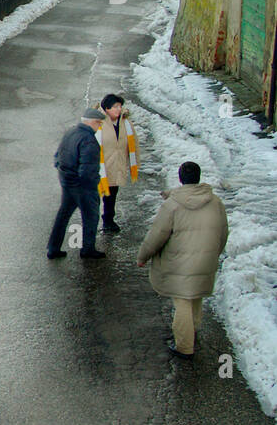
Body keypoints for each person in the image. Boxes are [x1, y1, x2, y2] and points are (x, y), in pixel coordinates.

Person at [135, 162, 228, 360]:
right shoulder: (216, 202)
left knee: (183, 301)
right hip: (206, 259)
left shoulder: (172, 205)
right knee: (195, 295)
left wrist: (143, 257)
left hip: (179, 264)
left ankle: (184, 347)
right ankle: (192, 331)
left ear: (180, 178)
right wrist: (213, 253)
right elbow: (223, 233)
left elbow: (157, 236)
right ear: (198, 177)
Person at [46, 109, 106, 260]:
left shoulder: (70, 133)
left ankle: (53, 248)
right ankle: (88, 249)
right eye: (99, 124)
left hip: (67, 181)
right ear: (93, 122)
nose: (99, 127)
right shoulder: (89, 140)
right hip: (82, 186)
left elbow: (57, 156)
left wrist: (64, 174)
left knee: (63, 215)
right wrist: (92, 186)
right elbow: (88, 169)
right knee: (90, 217)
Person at [97, 93, 138, 232]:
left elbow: (134, 145)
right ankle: (91, 222)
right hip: (101, 167)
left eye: (120, 106)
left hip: (116, 166)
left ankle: (108, 220)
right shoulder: (98, 123)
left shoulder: (126, 123)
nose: (118, 109)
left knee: (111, 195)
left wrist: (134, 164)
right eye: (115, 107)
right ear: (106, 108)